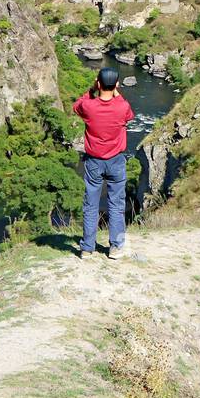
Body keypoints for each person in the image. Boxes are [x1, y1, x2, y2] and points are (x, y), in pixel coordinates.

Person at [72, 67, 134, 259]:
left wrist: (91, 90)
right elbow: (129, 115)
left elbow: (77, 105)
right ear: (116, 85)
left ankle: (87, 248)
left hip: (94, 162)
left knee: (91, 204)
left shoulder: (89, 106)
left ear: (98, 84)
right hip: (116, 161)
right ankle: (115, 247)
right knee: (116, 204)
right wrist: (116, 93)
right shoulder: (122, 106)